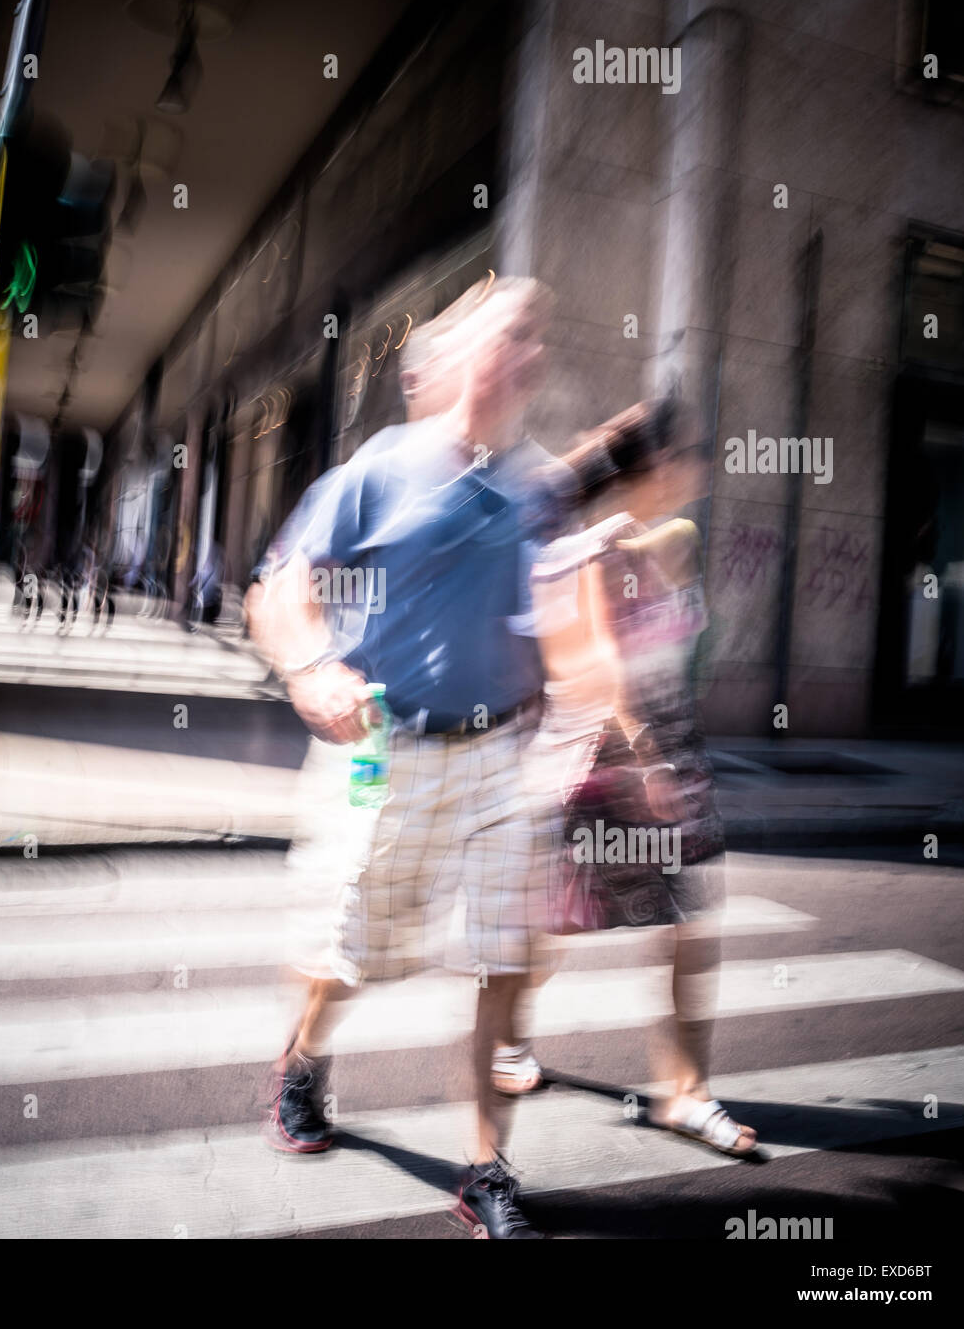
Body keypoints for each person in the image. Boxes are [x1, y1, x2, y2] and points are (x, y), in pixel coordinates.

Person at [246, 276, 572, 1238]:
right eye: (513, 334)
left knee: (504, 959)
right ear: (462, 355)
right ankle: (301, 1061)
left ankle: (484, 1170)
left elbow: (554, 617)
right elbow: (281, 587)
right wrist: (311, 671)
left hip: (502, 754)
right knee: (355, 953)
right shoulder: (381, 470)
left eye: (538, 339)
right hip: (394, 750)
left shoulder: (538, 487)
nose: (530, 354)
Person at [497, 399, 758, 1156]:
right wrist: (647, 757)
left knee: (688, 928)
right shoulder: (596, 552)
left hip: (670, 751)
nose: (699, 469)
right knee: (558, 927)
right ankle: (508, 1036)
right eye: (687, 455)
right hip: (610, 761)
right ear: (657, 468)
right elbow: (603, 663)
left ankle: (686, 1093)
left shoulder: (675, 543)